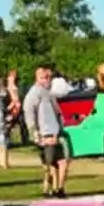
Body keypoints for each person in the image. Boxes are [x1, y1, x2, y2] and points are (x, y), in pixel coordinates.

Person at [23, 67, 68, 198]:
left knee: (61, 162)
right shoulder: (34, 93)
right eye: (44, 77)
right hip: (45, 134)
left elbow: (57, 112)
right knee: (50, 165)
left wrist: (60, 127)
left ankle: (58, 189)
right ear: (37, 78)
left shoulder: (49, 93)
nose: (47, 80)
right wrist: (35, 133)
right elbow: (29, 113)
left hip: (55, 132)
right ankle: (49, 189)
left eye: (49, 77)